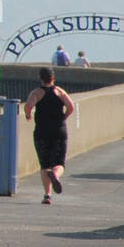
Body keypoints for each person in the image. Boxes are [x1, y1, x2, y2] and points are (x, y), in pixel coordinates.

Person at [23, 67, 74, 205]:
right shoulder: (59, 91)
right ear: (53, 78)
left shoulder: (37, 92)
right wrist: (63, 118)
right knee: (59, 162)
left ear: (40, 78)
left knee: (45, 164)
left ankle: (47, 195)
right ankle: (55, 175)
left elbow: (28, 106)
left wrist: (28, 115)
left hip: (42, 131)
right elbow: (71, 106)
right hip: (59, 130)